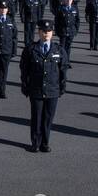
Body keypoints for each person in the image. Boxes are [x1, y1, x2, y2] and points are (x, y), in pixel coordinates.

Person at [20, 19, 67, 152]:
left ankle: (45, 143)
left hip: (52, 89)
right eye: (43, 31)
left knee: (48, 118)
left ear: (52, 33)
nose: (46, 34)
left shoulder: (59, 50)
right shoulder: (30, 49)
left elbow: (63, 70)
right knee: (36, 117)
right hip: (36, 89)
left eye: (49, 31)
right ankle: (35, 143)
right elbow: (24, 69)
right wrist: (25, 85)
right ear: (38, 32)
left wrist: (62, 86)